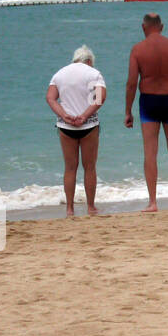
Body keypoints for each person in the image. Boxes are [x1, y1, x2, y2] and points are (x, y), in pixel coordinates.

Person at [125, 13, 168, 211]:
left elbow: (131, 84)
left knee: (150, 153)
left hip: (149, 102)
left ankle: (153, 202)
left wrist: (128, 111)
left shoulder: (138, 50)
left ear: (143, 27)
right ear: (162, 26)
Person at [47, 45, 107, 217]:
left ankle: (70, 209)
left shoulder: (60, 74)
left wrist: (64, 115)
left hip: (66, 127)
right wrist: (84, 116)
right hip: (88, 126)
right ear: (89, 61)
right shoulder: (94, 74)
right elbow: (100, 97)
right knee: (89, 167)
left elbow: (50, 98)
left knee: (70, 168)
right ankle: (90, 207)